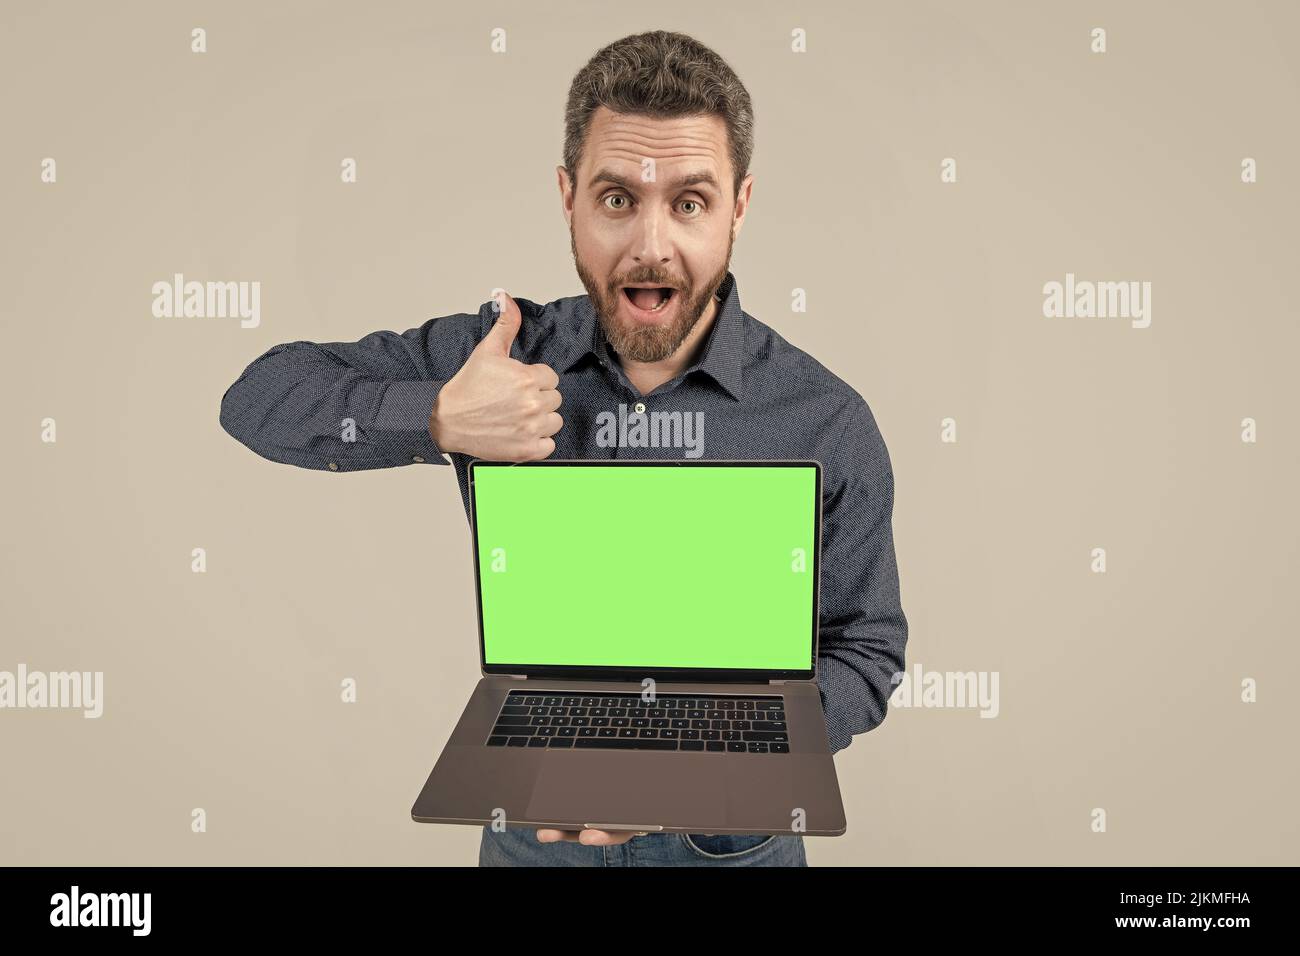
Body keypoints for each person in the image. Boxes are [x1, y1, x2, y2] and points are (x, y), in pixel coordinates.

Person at [219, 29, 907, 867]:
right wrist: (435, 414)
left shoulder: (826, 418)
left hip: (729, 838)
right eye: (617, 199)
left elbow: (867, 651)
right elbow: (257, 398)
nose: (651, 246)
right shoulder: (497, 359)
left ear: (741, 205)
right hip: (534, 833)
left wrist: (707, 769)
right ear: (568, 196)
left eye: (690, 203)